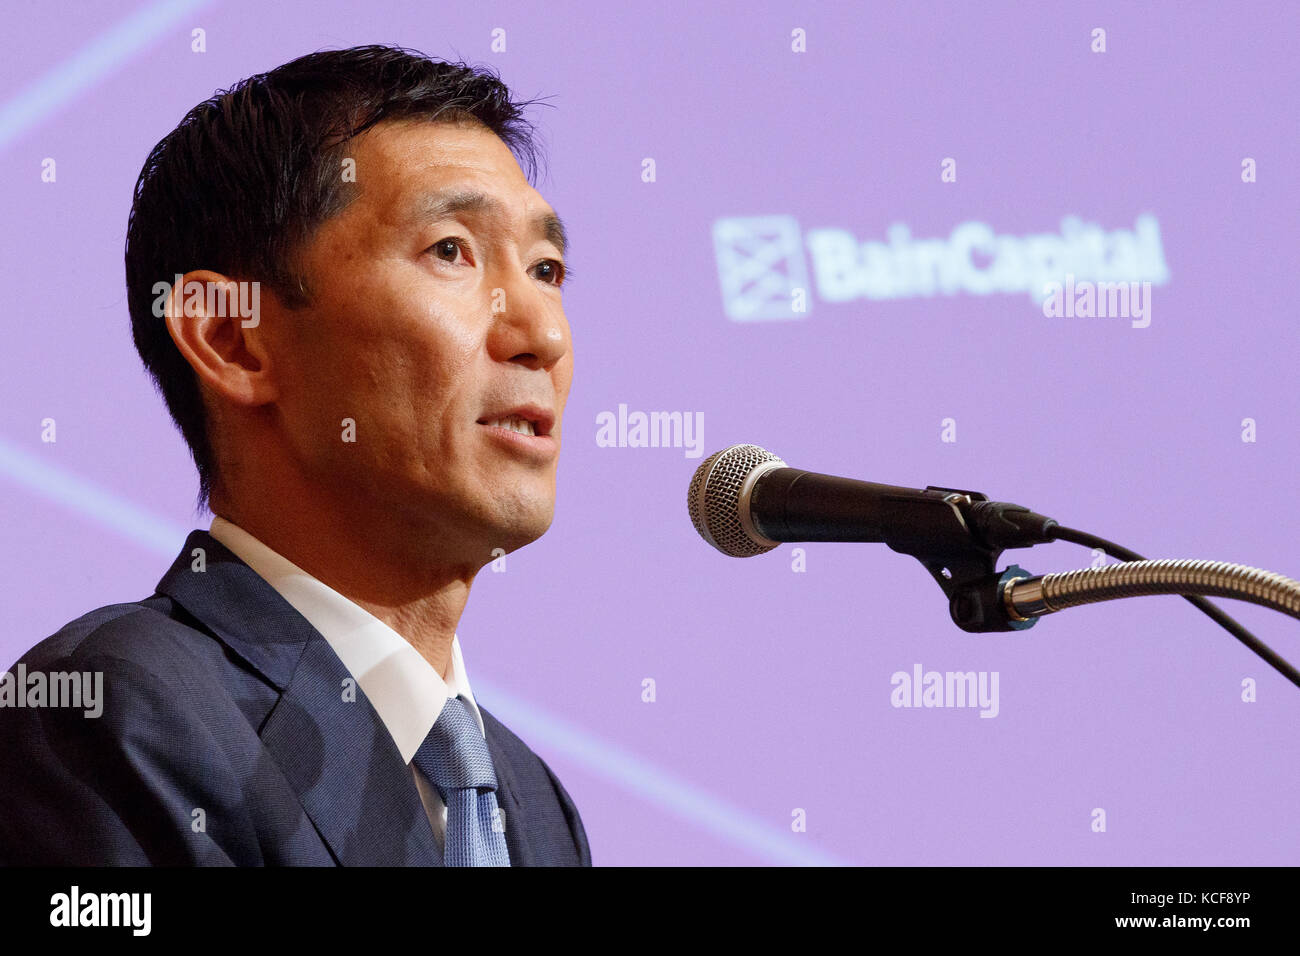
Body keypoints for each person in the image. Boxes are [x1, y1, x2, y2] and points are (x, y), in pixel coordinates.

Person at [0, 45, 589, 866]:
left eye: (547, 268)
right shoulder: (112, 715)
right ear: (234, 339)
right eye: (451, 250)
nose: (544, 336)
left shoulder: (529, 801)